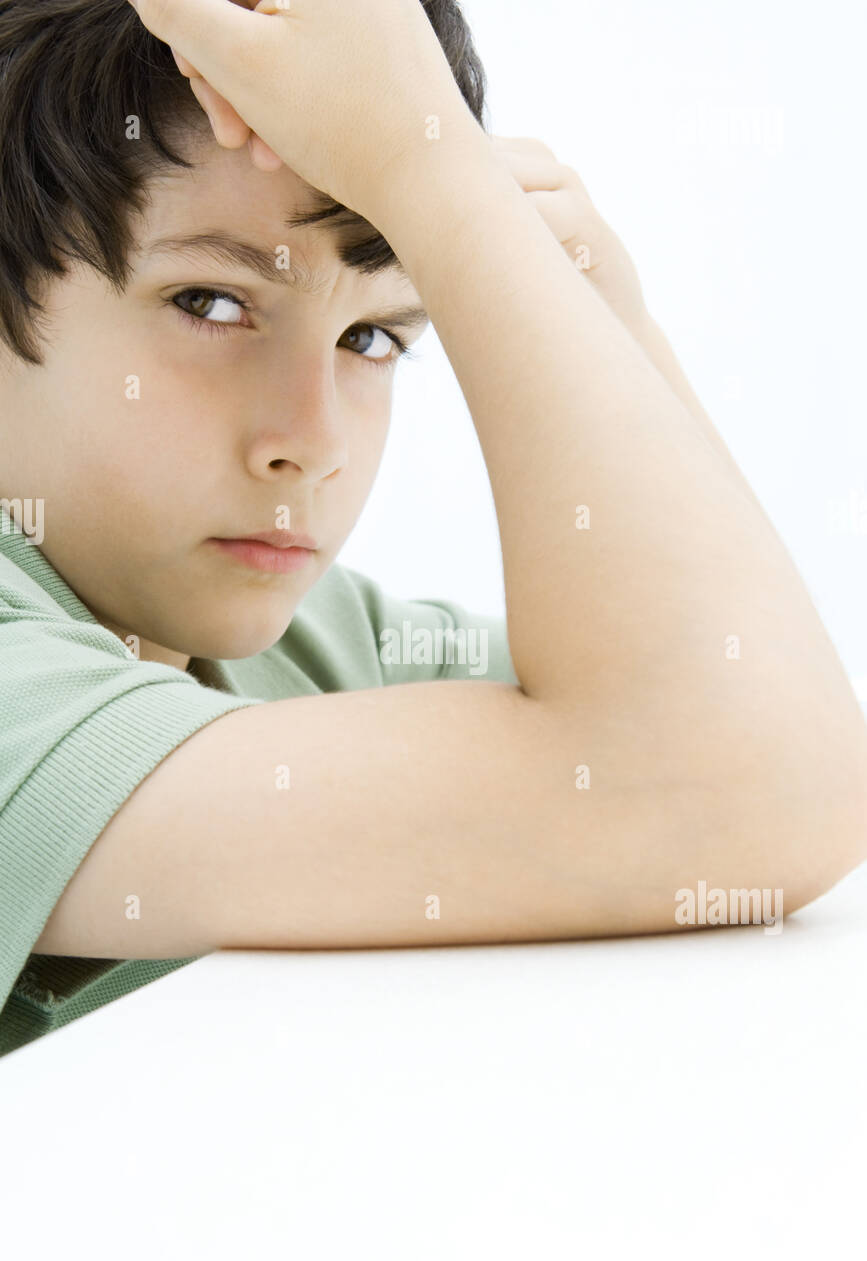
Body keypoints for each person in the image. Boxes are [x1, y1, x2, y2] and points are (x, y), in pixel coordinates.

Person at [1, 0, 864, 1058]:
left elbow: (755, 702)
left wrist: (603, 320)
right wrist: (442, 191)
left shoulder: (317, 643)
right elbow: (737, 783)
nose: (310, 441)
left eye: (371, 334)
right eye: (212, 304)